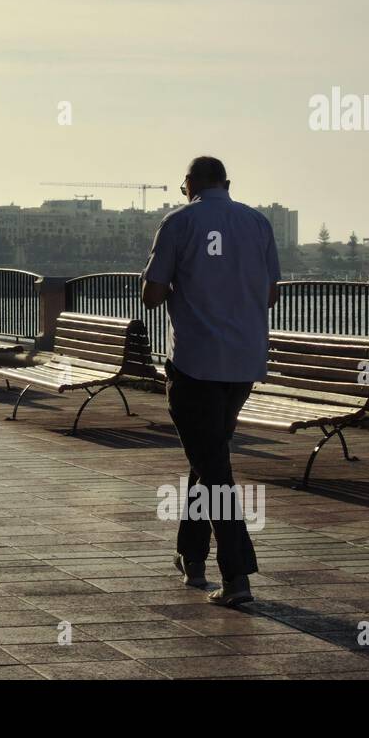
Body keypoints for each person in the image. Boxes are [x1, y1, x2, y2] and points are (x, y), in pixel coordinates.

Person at [141, 156, 281, 608]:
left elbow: (152, 293)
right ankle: (191, 555)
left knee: (216, 471)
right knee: (208, 460)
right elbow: (272, 293)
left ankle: (237, 576)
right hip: (243, 365)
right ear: (227, 182)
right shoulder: (258, 223)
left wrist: (179, 287)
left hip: (195, 364)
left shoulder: (179, 221)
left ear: (189, 184)